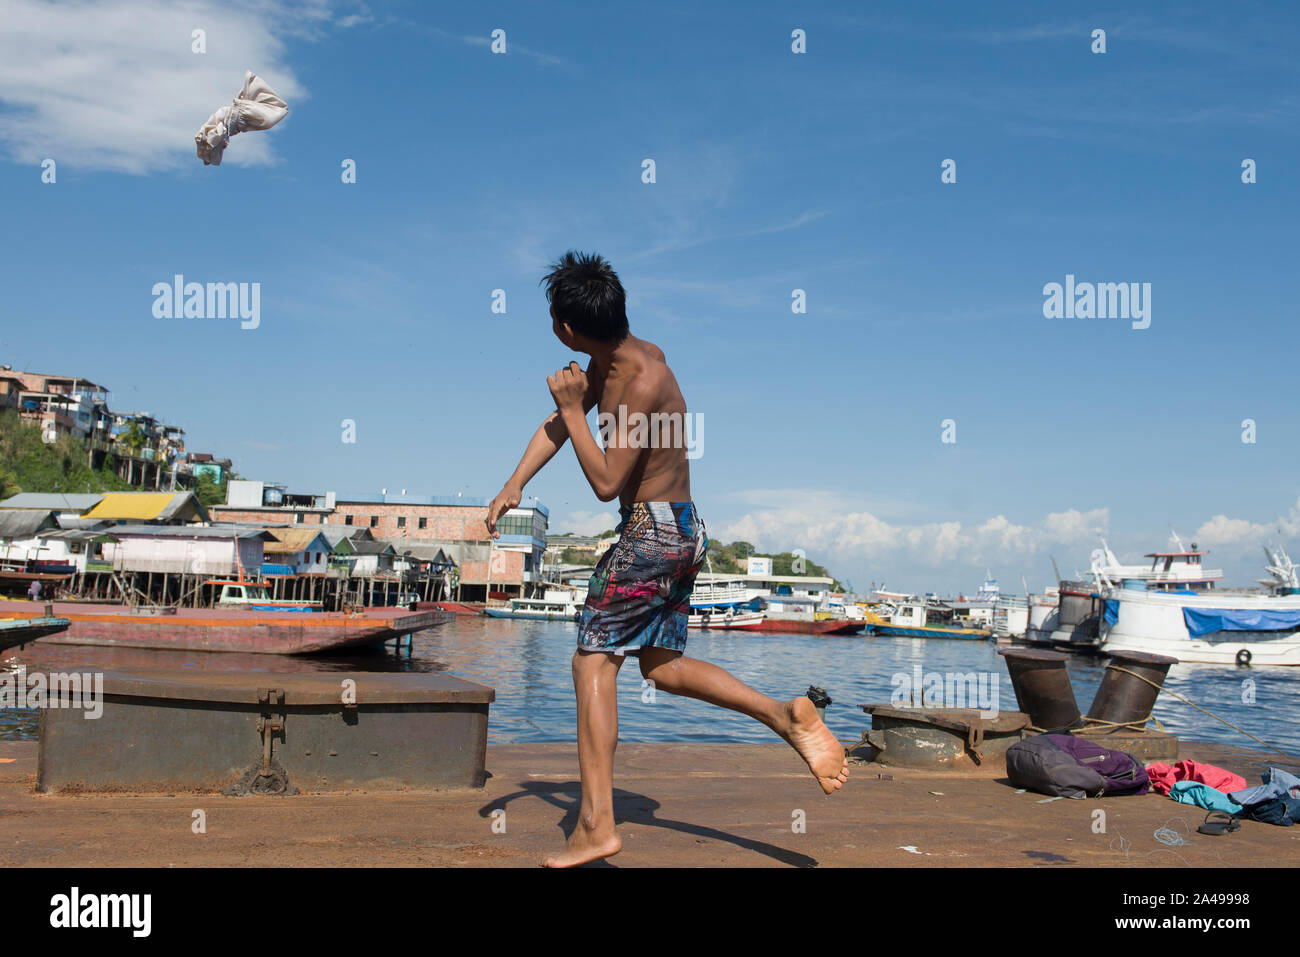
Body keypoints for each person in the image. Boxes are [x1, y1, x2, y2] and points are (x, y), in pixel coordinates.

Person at [486, 251, 848, 868]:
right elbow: (555, 426)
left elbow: (604, 480)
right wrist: (513, 484)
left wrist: (576, 409)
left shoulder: (638, 383)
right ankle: (784, 715)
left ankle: (597, 825)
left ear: (567, 329)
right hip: (682, 530)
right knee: (661, 665)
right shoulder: (625, 357)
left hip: (651, 533)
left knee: (591, 664)